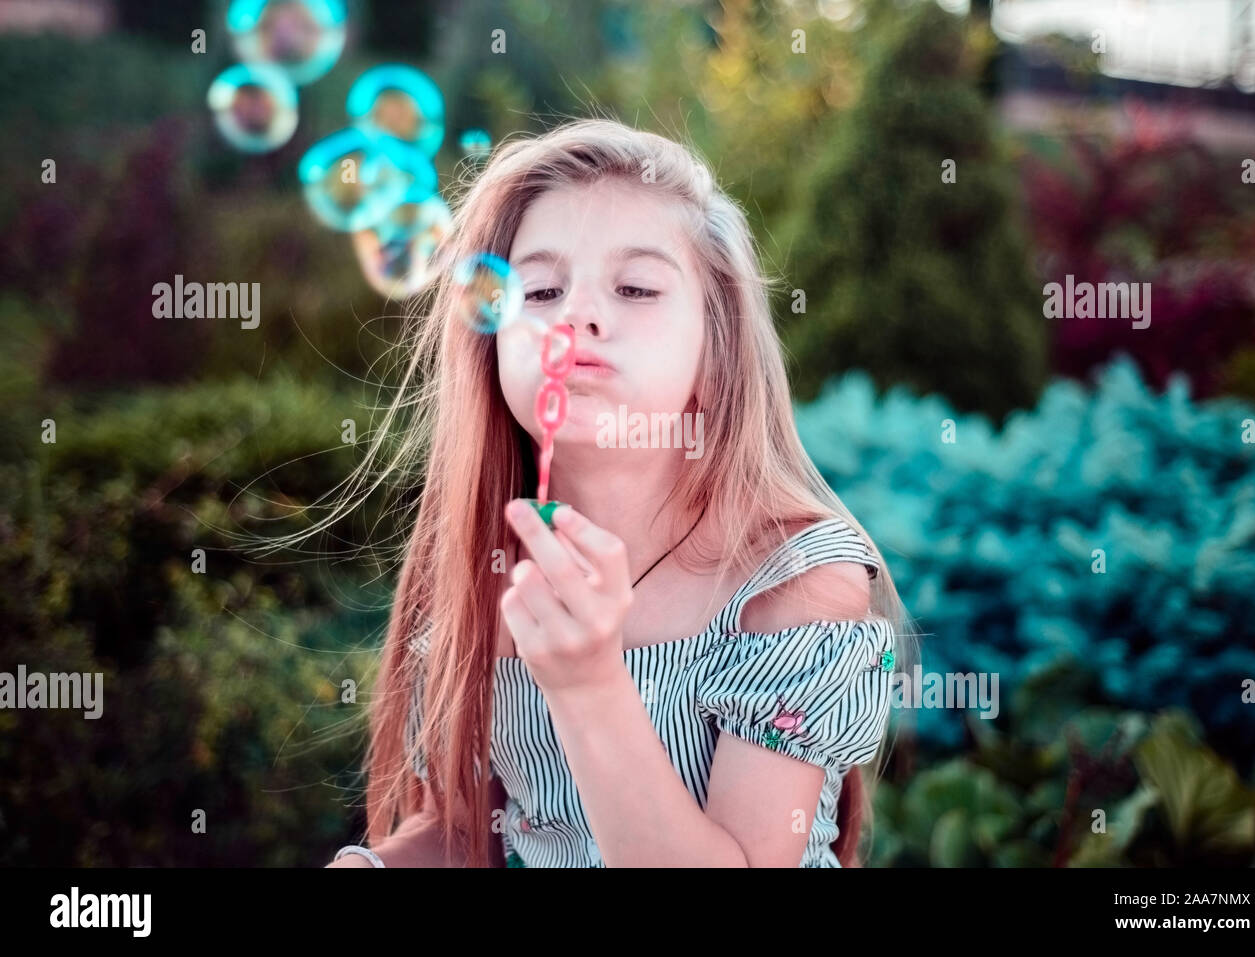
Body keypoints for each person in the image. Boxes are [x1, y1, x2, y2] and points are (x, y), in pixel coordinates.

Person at [327, 117, 916, 868]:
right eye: (539, 289)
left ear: (719, 349)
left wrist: (589, 681)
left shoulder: (792, 577)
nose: (577, 315)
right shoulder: (494, 569)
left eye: (636, 286)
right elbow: (471, 832)